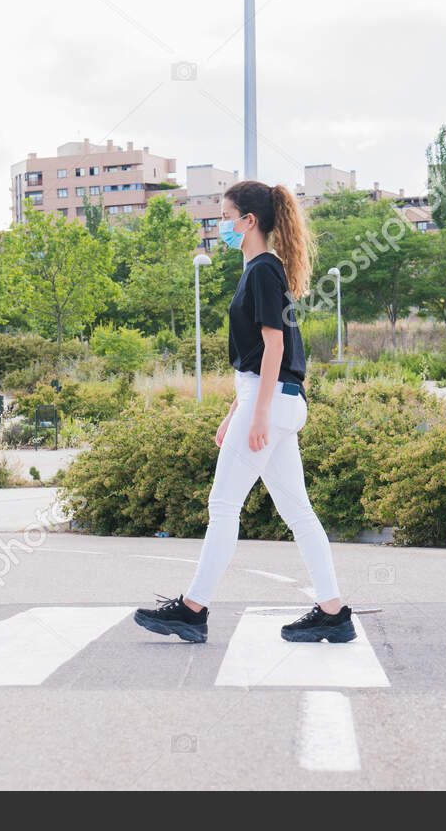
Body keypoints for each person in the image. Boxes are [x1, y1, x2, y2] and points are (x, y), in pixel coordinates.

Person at [133, 180, 353, 644]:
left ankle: (192, 609)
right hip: (272, 401)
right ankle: (333, 612)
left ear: (248, 221)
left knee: (223, 505)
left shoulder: (263, 271)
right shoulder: (260, 269)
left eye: (224, 216)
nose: (220, 226)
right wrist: (237, 410)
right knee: (299, 514)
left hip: (270, 404)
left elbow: (275, 345)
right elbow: (258, 353)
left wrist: (257, 414)